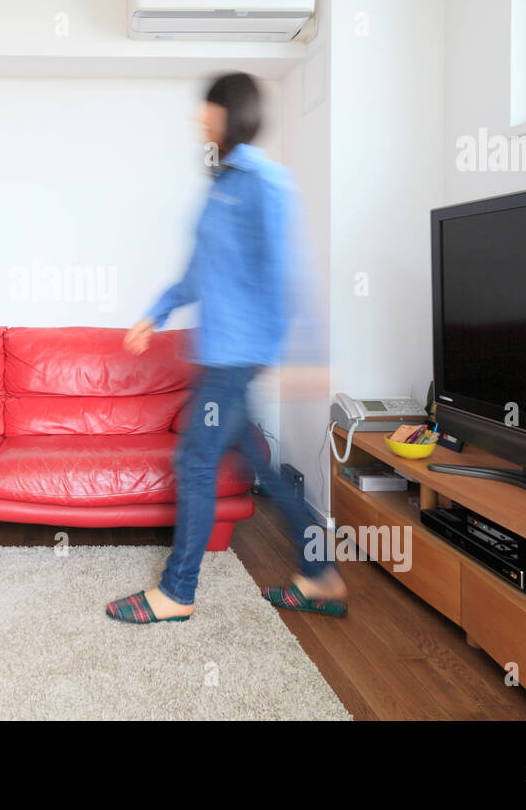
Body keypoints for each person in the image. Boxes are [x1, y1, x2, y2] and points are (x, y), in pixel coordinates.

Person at [105, 72, 348, 625]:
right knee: (258, 464)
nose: (199, 117)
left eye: (208, 107)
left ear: (229, 113)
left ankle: (177, 592)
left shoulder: (263, 181)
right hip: (218, 354)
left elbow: (289, 271)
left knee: (194, 462)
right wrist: (155, 313)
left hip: (235, 360)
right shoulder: (219, 185)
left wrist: (311, 357)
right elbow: (198, 274)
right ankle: (321, 573)